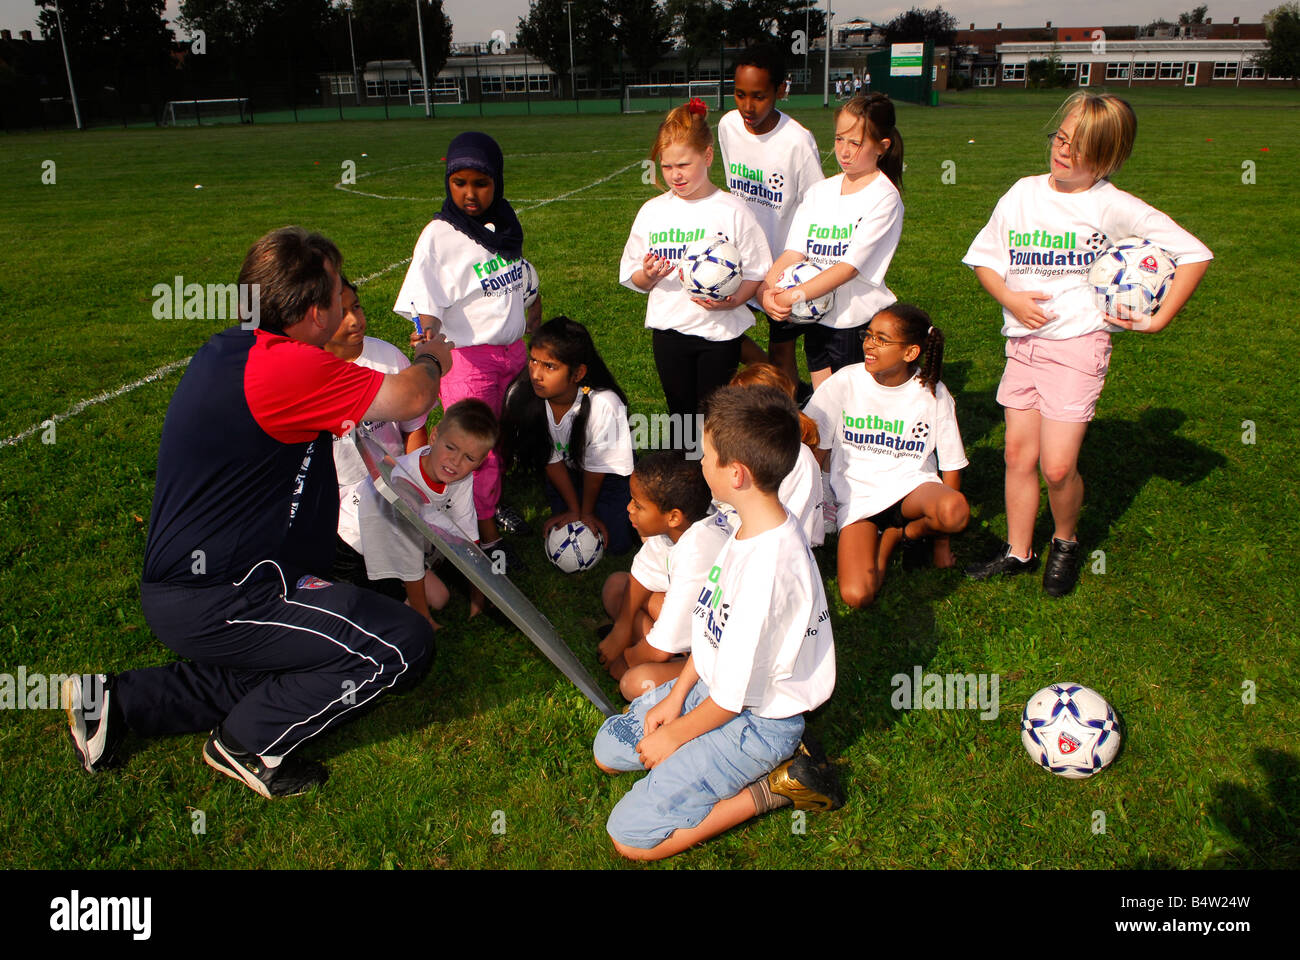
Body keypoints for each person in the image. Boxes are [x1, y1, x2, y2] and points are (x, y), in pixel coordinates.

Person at [64, 227, 453, 797]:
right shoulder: (285, 369)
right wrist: (430, 356)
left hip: (208, 585)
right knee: (402, 642)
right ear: (316, 312)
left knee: (291, 663)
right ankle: (248, 742)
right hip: (229, 591)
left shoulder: (238, 348)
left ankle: (118, 702)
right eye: (341, 287)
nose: (350, 297)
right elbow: (414, 398)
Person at [962, 92, 1211, 597]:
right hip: (1022, 346)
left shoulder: (1110, 204)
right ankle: (1018, 551)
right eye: (1060, 139)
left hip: (1077, 346)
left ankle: (1066, 541)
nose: (1064, 153)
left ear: (1108, 159)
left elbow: (1194, 253)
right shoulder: (1021, 193)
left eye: (1080, 149)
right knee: (1016, 454)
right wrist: (1010, 295)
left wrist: (1158, 319)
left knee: (1057, 466)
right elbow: (985, 258)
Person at [592, 386, 840, 861]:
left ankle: (780, 786)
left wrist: (676, 734)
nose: (699, 462)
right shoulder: (745, 523)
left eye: (706, 455)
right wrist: (679, 697)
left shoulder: (768, 571)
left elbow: (731, 700)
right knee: (610, 749)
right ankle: (693, 762)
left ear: (736, 473)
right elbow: (710, 630)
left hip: (758, 722)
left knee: (629, 839)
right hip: (714, 690)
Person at [395, 131, 542, 573]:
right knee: (476, 447)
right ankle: (481, 536)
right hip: (468, 359)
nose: (470, 193)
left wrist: (531, 324)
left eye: (480, 182)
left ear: (497, 181)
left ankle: (489, 504)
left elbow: (517, 282)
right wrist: (426, 339)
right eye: (459, 182)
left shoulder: (504, 222)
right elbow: (425, 300)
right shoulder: (439, 235)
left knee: (499, 440)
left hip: (510, 353)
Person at [806, 303, 970, 609]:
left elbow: (951, 465)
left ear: (910, 353)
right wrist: (814, 504)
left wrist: (942, 543)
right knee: (857, 595)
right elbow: (817, 447)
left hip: (911, 490)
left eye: (882, 339)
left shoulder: (933, 393)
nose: (870, 344)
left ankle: (908, 531)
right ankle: (894, 536)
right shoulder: (845, 381)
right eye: (868, 336)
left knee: (955, 511)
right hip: (858, 499)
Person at [620, 99, 772, 419]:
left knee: (714, 414)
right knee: (679, 414)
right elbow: (633, 272)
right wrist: (647, 276)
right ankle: (683, 466)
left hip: (719, 333)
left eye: (683, 165)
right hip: (669, 333)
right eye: (667, 167)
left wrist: (734, 301)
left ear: (707, 156)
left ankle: (708, 468)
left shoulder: (732, 210)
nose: (675, 175)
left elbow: (758, 270)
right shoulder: (653, 212)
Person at [761, 93, 904, 390]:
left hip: (855, 323)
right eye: (839, 139)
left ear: (882, 146)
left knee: (853, 407)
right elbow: (794, 252)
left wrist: (793, 296)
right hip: (815, 318)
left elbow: (848, 268)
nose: (844, 151)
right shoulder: (820, 192)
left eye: (856, 143)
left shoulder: (884, 197)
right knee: (823, 404)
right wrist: (768, 290)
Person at [717, 44, 824, 401]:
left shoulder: (797, 142)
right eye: (740, 94)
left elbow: (817, 207)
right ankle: (773, 381)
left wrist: (795, 266)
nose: (747, 106)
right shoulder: (728, 126)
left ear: (781, 90)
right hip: (742, 258)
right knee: (725, 333)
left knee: (783, 350)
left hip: (783, 266)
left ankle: (791, 414)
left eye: (759, 96)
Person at [327, 275, 428, 604]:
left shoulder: (387, 358)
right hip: (341, 502)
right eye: (341, 313)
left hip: (394, 483)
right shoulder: (310, 373)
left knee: (432, 595)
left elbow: (414, 427)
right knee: (365, 595)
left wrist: (412, 481)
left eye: (356, 306)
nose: (355, 320)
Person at [499, 316, 637, 555]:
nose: (536, 374)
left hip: (605, 471)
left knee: (616, 543)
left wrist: (587, 513)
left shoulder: (603, 404)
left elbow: (598, 467)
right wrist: (574, 509)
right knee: (570, 523)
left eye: (549, 366)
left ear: (578, 373)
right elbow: (547, 456)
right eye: (533, 361)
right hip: (566, 468)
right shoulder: (520, 396)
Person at [596, 451, 726, 698]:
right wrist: (622, 628)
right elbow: (643, 574)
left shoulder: (698, 552)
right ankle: (676, 658)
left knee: (633, 683)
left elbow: (659, 648)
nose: (629, 508)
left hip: (719, 655)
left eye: (638, 504)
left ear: (673, 517)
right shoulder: (678, 527)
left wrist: (625, 659)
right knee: (616, 586)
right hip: (695, 628)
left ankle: (693, 680)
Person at [356, 399, 498, 626]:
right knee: (428, 602)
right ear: (434, 436)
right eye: (450, 447)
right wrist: (425, 621)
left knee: (439, 597)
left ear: (480, 462)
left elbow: (467, 534)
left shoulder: (462, 477)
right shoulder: (405, 484)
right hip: (362, 540)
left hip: (407, 538)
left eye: (469, 458)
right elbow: (409, 557)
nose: (455, 461)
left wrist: (478, 596)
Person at [724, 363, 824, 548]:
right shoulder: (735, 446)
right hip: (729, 532)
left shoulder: (798, 459)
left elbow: (785, 527)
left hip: (772, 550)